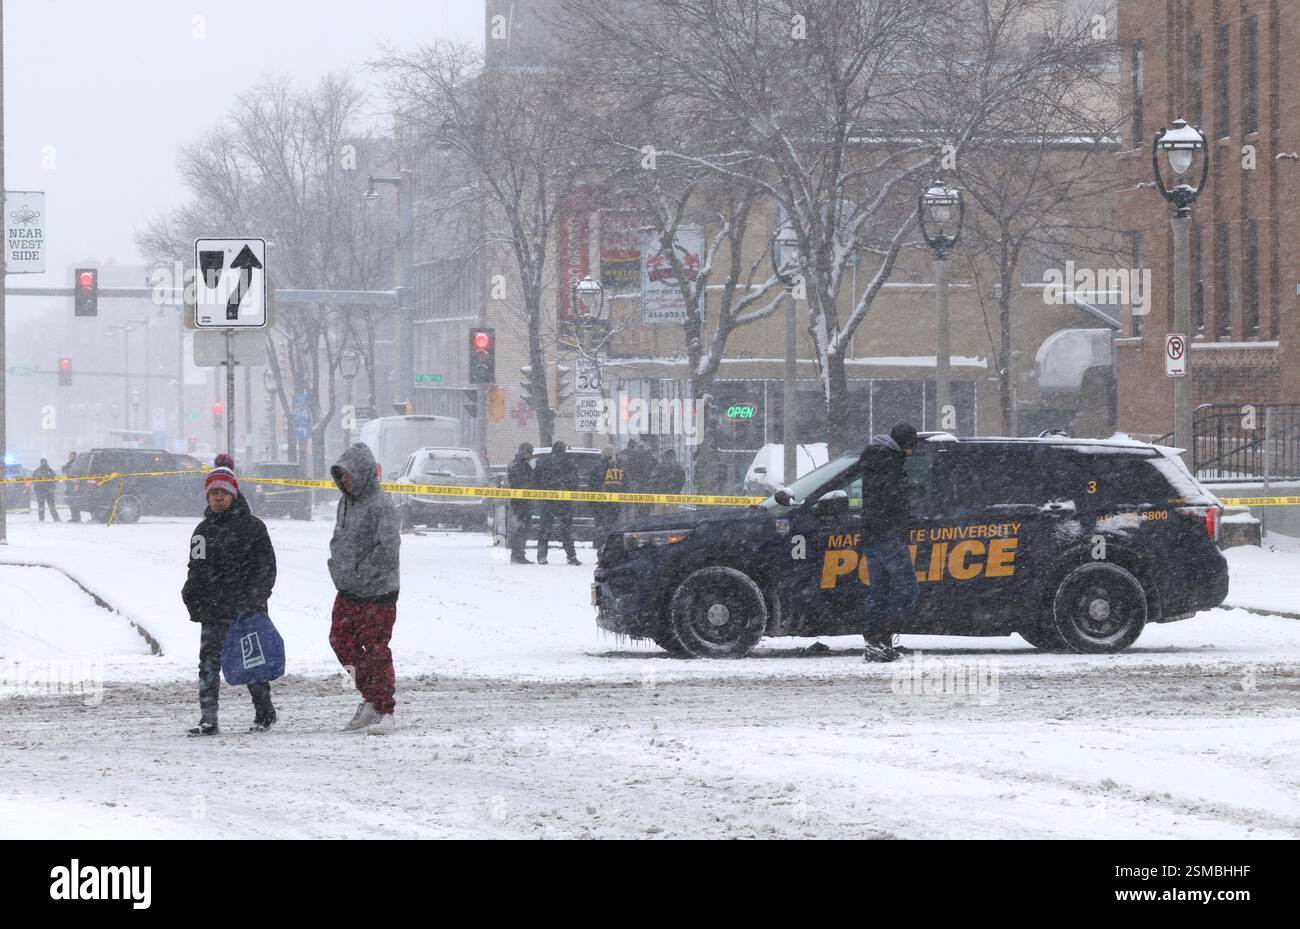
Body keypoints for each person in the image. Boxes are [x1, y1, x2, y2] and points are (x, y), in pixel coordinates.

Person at [182, 455, 277, 735]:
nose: (218, 498)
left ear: (233, 494)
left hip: (246, 611)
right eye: (213, 493)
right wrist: (192, 595)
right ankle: (208, 719)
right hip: (213, 610)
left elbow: (266, 568)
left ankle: (264, 713)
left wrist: (254, 600)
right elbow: (195, 568)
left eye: (223, 492)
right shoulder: (201, 533)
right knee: (208, 665)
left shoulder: (254, 528)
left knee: (253, 666)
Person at [328, 442, 401, 735]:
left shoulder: (382, 504)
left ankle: (385, 709)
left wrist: (362, 573)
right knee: (340, 641)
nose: (343, 480)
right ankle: (371, 697)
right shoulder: (345, 503)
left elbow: (388, 548)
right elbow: (338, 539)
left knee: (375, 650)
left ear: (362, 473)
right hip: (347, 589)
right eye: (340, 475)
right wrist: (336, 565)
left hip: (377, 592)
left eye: (347, 474)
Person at [858, 422, 921, 663]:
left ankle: (875, 642)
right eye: (911, 447)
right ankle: (881, 635)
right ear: (904, 444)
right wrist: (911, 488)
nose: (911, 453)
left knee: (879, 590)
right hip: (886, 534)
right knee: (907, 588)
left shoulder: (875, 457)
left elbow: (879, 494)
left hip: (873, 535)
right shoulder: (888, 460)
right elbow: (889, 494)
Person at [533, 440, 581, 565]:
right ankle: (571, 556)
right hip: (563, 501)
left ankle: (542, 556)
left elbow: (535, 479)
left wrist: (542, 491)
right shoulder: (569, 463)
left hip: (547, 500)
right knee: (566, 530)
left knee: (545, 529)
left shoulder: (544, 461)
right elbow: (575, 481)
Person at [507, 442, 535, 564]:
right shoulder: (521, 465)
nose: (532, 455)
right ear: (525, 452)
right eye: (530, 452)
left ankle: (518, 554)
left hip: (518, 501)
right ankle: (518, 555)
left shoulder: (514, 464)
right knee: (522, 528)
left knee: (520, 528)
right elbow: (524, 482)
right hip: (522, 502)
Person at [591, 445, 624, 547]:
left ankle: (602, 551)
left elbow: (592, 485)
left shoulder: (598, 467)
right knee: (614, 529)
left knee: (601, 529)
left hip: (601, 504)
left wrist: (592, 503)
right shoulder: (619, 468)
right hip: (616, 504)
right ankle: (613, 550)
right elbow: (626, 484)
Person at [650, 448, 686, 514]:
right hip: (666, 492)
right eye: (668, 457)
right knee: (670, 512)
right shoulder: (677, 468)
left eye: (670, 457)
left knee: (663, 512)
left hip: (665, 492)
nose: (669, 459)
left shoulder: (660, 467)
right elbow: (681, 481)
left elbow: (653, 480)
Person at [61, 451, 80, 522]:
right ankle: (75, 517)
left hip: (74, 484)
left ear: (74, 456)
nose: (69, 457)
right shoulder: (70, 463)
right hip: (71, 484)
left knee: (74, 500)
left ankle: (76, 517)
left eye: (70, 456)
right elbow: (64, 469)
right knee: (72, 501)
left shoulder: (75, 463)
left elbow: (67, 469)